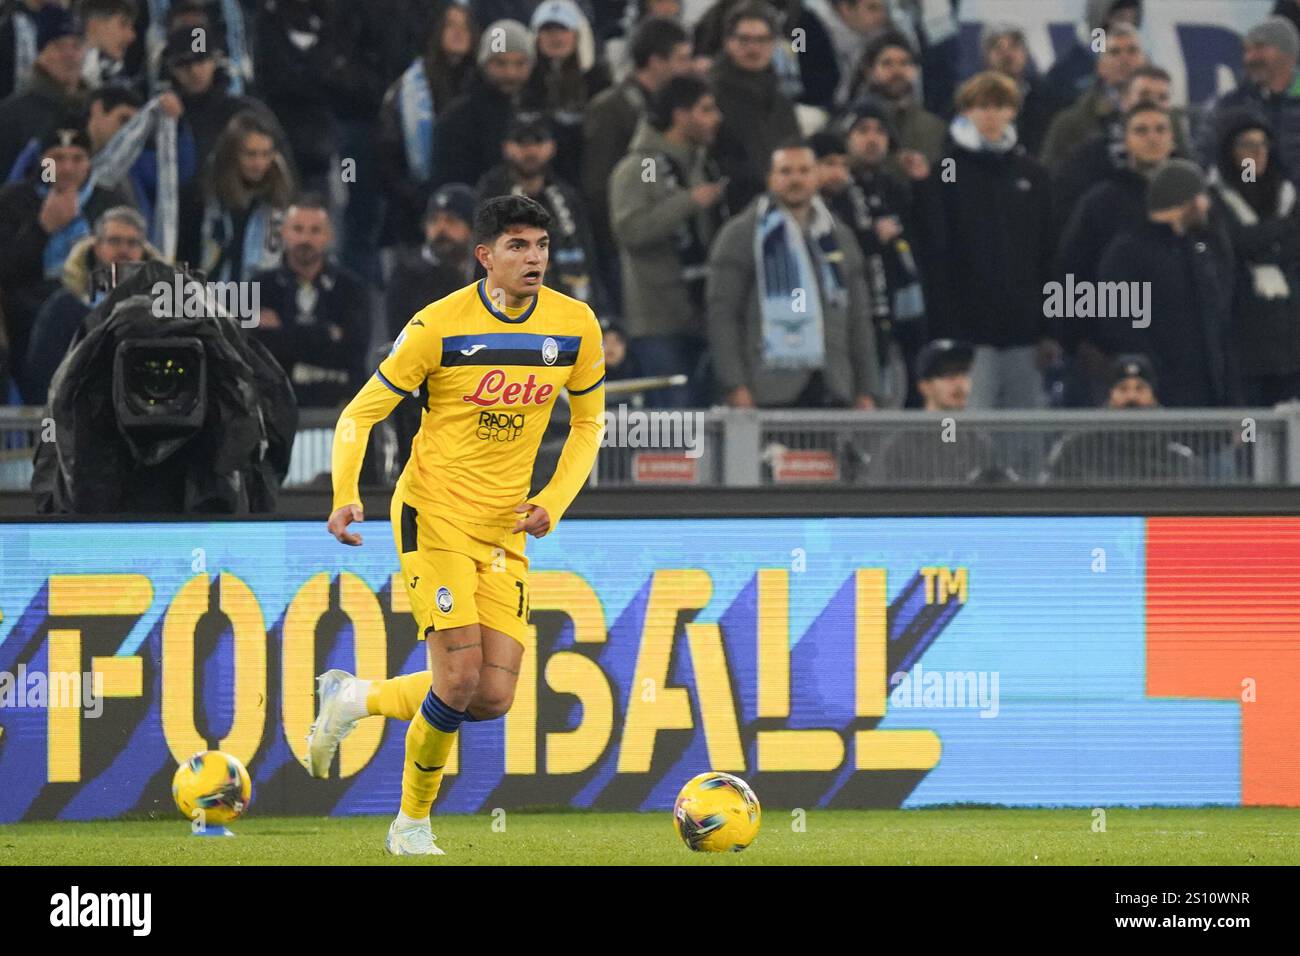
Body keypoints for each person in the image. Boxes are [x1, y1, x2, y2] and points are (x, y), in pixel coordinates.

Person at [309, 195, 605, 856]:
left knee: (492, 698)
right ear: (485, 256)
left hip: (505, 528)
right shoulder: (437, 327)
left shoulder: (575, 325)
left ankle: (354, 699)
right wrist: (344, 492)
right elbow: (360, 413)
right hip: (432, 515)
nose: (534, 259)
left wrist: (554, 498)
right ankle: (411, 823)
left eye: (541, 246)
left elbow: (588, 425)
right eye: (518, 247)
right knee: (460, 678)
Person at [707, 140, 879, 409]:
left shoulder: (839, 237)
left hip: (833, 383)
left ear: (816, 176)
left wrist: (867, 388)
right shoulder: (740, 234)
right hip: (766, 387)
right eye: (786, 172)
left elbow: (858, 318)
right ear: (770, 178)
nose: (795, 179)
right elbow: (723, 315)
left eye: (804, 171)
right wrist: (735, 384)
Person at [923, 71, 1057, 409]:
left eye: (999, 106)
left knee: (1025, 439)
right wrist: (948, 327)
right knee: (974, 430)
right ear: (966, 111)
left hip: (1024, 332)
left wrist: (1050, 328)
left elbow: (1048, 253)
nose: (990, 114)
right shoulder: (947, 170)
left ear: (1012, 111)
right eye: (981, 106)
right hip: (969, 333)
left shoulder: (1032, 174)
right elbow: (939, 254)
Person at [608, 74, 725, 407]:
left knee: (705, 425)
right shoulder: (643, 166)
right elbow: (631, 229)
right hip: (657, 320)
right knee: (671, 428)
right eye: (706, 109)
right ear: (680, 115)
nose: (716, 118)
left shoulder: (701, 164)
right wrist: (689, 202)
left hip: (701, 314)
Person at [1056, 100, 1175, 404]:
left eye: (1161, 129)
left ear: (1173, 139)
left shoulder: (1196, 201)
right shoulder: (1101, 202)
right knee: (1114, 449)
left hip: (1183, 361)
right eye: (1141, 130)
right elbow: (1071, 274)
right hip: (1114, 362)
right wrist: (1081, 343)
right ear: (1125, 140)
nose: (1152, 137)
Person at [1097, 159, 1238, 407]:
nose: (1207, 205)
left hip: (1208, 399)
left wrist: (1230, 398)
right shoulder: (1126, 253)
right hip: (1161, 400)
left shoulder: (1196, 249)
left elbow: (1217, 326)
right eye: (1202, 196)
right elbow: (1119, 326)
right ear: (1186, 200)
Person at [0, 123, 129, 383]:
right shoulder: (15, 200)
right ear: (41, 162)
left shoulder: (107, 200)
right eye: (57, 158)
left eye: (77, 158)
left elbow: (129, 260)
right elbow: (5, 270)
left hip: (95, 304)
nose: (67, 168)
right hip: (27, 312)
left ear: (89, 162)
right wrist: (43, 227)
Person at [580, 14, 691, 308]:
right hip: (622, 248)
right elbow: (597, 187)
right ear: (656, 61)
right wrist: (615, 242)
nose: (688, 68)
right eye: (681, 59)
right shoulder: (612, 108)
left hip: (667, 244)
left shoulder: (671, 108)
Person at [825, 102, 927, 405]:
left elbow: (929, 241)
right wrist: (870, 237)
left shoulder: (893, 188)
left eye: (880, 131)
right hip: (855, 315)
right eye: (863, 131)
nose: (872, 139)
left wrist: (922, 185)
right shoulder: (836, 191)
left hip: (899, 313)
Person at [23, 204, 160, 403]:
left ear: (143, 251)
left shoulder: (162, 310)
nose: (123, 250)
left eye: (133, 243)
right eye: (114, 241)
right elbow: (42, 376)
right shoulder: (64, 308)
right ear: (96, 247)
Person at [1209, 113, 1300, 404]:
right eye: (1247, 145)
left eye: (1263, 145)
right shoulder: (1215, 196)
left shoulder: (1286, 194)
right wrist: (1283, 230)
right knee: (1250, 429)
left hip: (1289, 341)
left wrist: (1262, 238)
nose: (1257, 153)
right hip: (1243, 343)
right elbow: (1234, 242)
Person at [249, 194, 370, 408]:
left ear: (329, 236)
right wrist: (328, 334)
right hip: (276, 408)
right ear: (283, 233)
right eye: (297, 229)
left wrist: (282, 330)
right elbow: (255, 354)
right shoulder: (258, 287)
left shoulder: (353, 288)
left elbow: (355, 353)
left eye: (315, 230)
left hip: (339, 406)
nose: (305, 239)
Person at [476, 112, 604, 311]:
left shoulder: (568, 197)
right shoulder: (490, 195)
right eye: (521, 142)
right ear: (506, 147)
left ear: (552, 146)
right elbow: (478, 262)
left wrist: (602, 316)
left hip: (565, 310)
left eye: (538, 141)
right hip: (504, 309)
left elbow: (589, 259)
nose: (530, 150)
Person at [376, 3, 478, 248]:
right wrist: (412, 194)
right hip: (414, 209)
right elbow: (387, 151)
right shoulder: (410, 87)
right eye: (450, 25)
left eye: (465, 27)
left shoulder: (482, 87)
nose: (458, 32)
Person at [1042, 353, 1200, 483]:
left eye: (1140, 388)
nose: (1131, 396)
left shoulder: (1178, 453)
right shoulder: (1076, 447)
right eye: (1123, 389)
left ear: (1153, 396)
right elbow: (1048, 500)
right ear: (1110, 394)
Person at [178, 109, 295, 282]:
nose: (259, 163)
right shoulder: (202, 195)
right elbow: (185, 254)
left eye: (266, 154)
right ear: (232, 154)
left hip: (261, 300)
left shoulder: (280, 197)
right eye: (251, 154)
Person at [707, 1, 799, 210]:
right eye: (744, 39)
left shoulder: (780, 95)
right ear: (728, 42)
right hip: (737, 204)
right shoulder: (712, 95)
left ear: (774, 43)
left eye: (762, 39)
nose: (753, 48)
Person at [866, 338, 998, 482]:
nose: (960, 384)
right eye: (949, 376)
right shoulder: (900, 446)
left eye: (964, 374)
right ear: (925, 387)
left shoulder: (980, 445)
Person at [430, 18, 534, 190]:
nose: (511, 73)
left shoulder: (538, 111)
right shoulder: (457, 119)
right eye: (500, 63)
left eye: (520, 63)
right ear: (484, 64)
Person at [1199, 15, 1300, 190]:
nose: (1250, 58)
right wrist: (1250, 187)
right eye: (1247, 50)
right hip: (1252, 207)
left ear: (1288, 54)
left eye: (1260, 47)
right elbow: (1204, 162)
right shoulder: (1229, 106)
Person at [518, 0, 609, 189]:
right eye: (548, 30)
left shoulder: (597, 81)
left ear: (577, 35)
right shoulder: (523, 82)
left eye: (563, 29)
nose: (555, 37)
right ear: (535, 37)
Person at [1040, 21, 1145, 173]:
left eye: (1132, 51)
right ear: (1100, 66)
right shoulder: (1069, 124)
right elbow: (1050, 177)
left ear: (1145, 60)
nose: (1125, 59)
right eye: (1115, 52)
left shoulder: (1168, 118)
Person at [0, 4, 85, 177]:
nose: (70, 55)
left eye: (76, 46)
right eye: (59, 46)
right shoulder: (12, 116)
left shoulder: (95, 110)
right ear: (40, 55)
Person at [386, 183, 477, 341]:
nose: (441, 229)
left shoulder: (488, 269)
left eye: (451, 221)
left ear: (472, 228)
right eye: (434, 220)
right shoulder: (407, 273)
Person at [843, 29, 945, 167]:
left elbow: (947, 177)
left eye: (904, 63)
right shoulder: (847, 122)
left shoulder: (935, 128)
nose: (897, 71)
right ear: (869, 71)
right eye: (887, 63)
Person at [1042, 0, 1143, 112]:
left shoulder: (1145, 72)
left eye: (1132, 18)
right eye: (1120, 18)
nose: (1126, 27)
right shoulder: (1064, 73)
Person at [980, 22, 1053, 158]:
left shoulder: (1049, 98)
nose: (1007, 54)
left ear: (1025, 53)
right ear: (986, 57)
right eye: (997, 47)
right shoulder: (972, 102)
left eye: (1014, 46)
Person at [79, 0, 138, 91]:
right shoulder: (98, 69)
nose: (131, 36)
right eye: (123, 25)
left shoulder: (114, 67)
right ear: (94, 26)